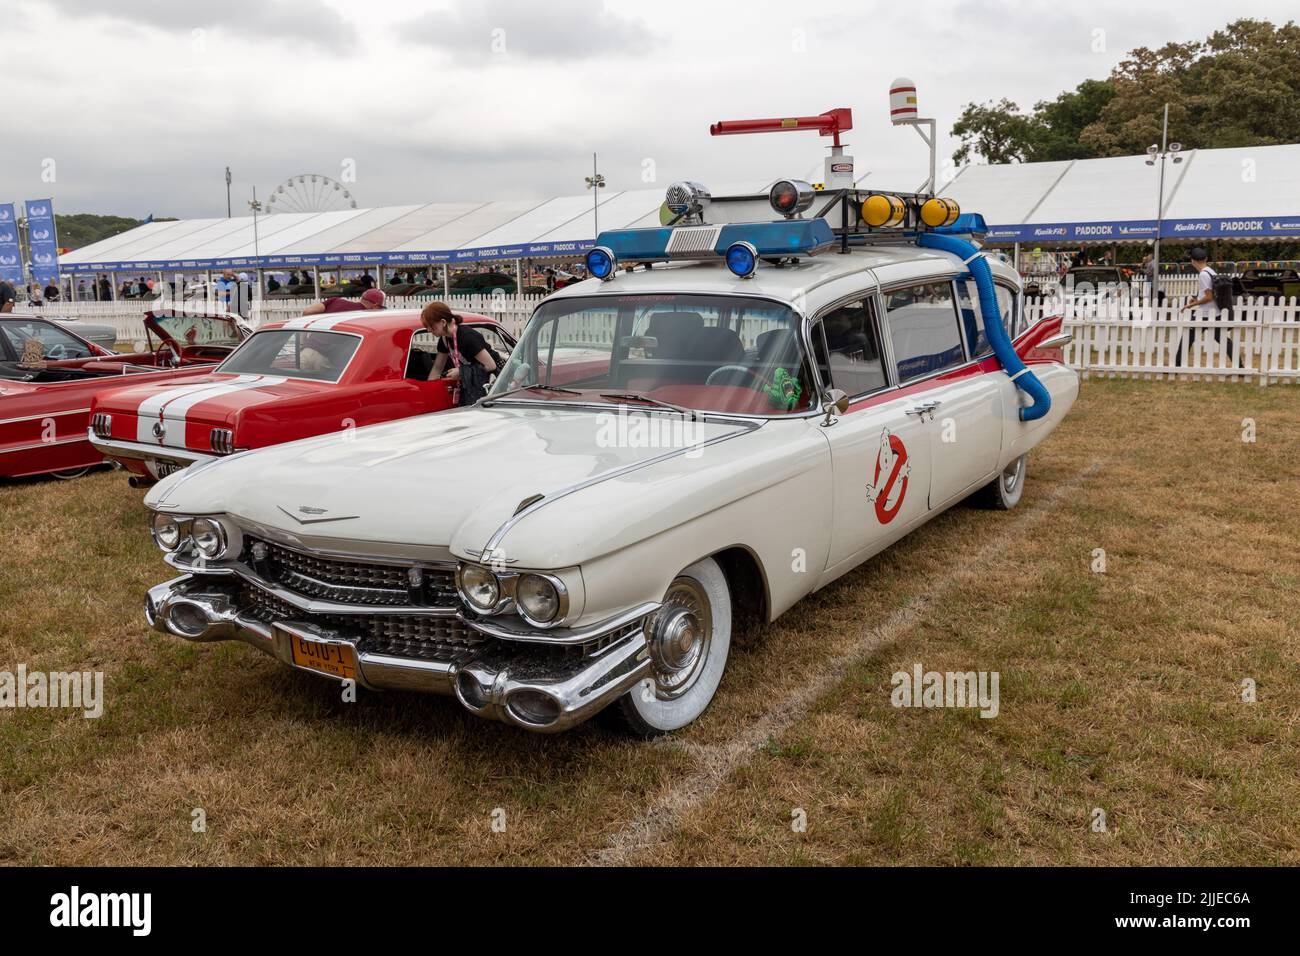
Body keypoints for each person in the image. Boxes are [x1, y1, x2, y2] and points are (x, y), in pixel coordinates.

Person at [420, 301, 498, 406]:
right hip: (474, 384)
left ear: (443, 322)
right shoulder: (444, 339)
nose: (429, 330)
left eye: (432, 326)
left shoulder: (468, 337)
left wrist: (461, 372)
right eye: (427, 327)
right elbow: (437, 368)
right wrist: (428, 390)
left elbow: (491, 365)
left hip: (491, 383)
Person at [1175, 247, 1235, 367]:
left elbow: (1209, 297)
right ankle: (1240, 366)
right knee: (1224, 341)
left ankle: (1176, 367)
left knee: (1186, 339)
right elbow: (1211, 294)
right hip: (1215, 313)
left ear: (1192, 261)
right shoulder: (1211, 271)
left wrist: (1191, 305)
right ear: (1206, 258)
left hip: (1204, 314)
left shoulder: (1203, 274)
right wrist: (1197, 298)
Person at [300, 287, 385, 316]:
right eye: (380, 308)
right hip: (333, 354)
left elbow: (307, 312)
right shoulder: (364, 316)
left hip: (310, 347)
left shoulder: (335, 301)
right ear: (375, 305)